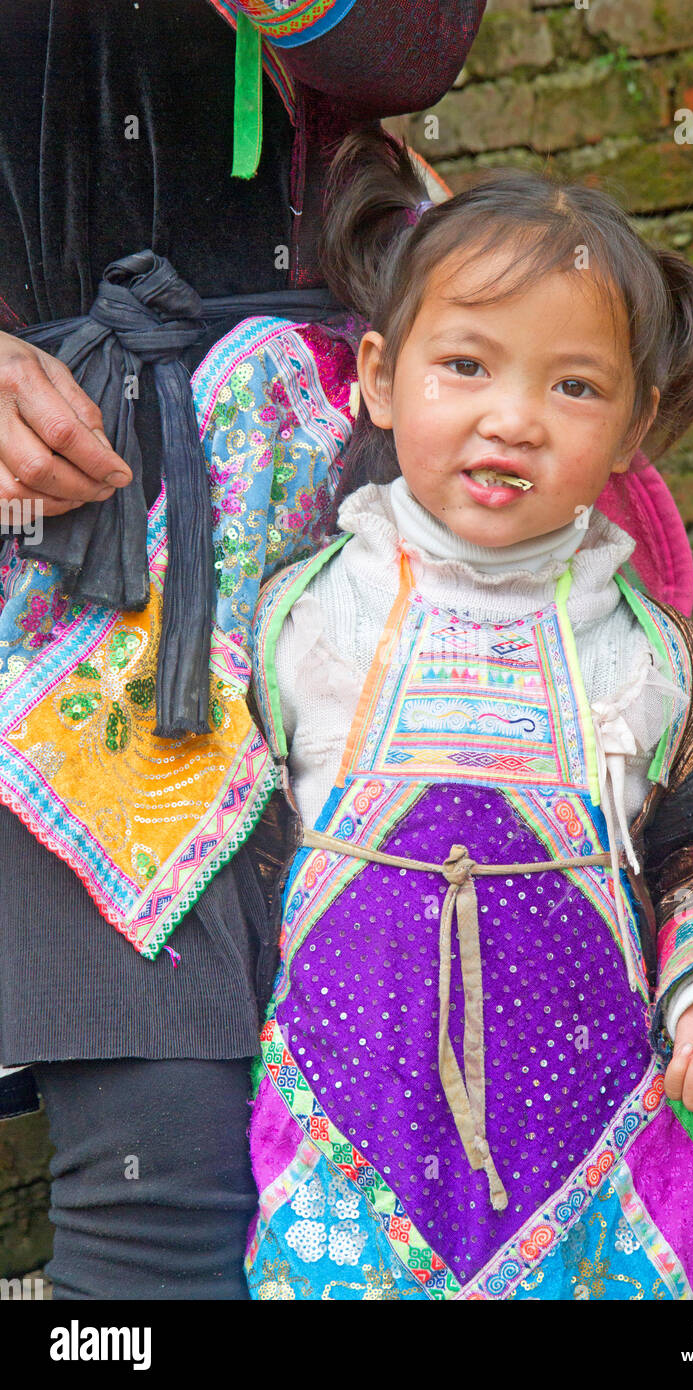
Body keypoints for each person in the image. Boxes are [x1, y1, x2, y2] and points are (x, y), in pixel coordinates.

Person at [243, 128, 693, 1301]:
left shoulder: (660, 666)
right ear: (378, 378)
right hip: (346, 1141)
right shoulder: (287, 628)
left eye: (572, 386)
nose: (511, 418)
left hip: (594, 1149)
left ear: (631, 428)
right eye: (465, 366)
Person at [0, 0, 485, 1299]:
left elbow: (412, 43)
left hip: (347, 509)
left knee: (402, 1157)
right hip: (60, 558)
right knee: (161, 1182)